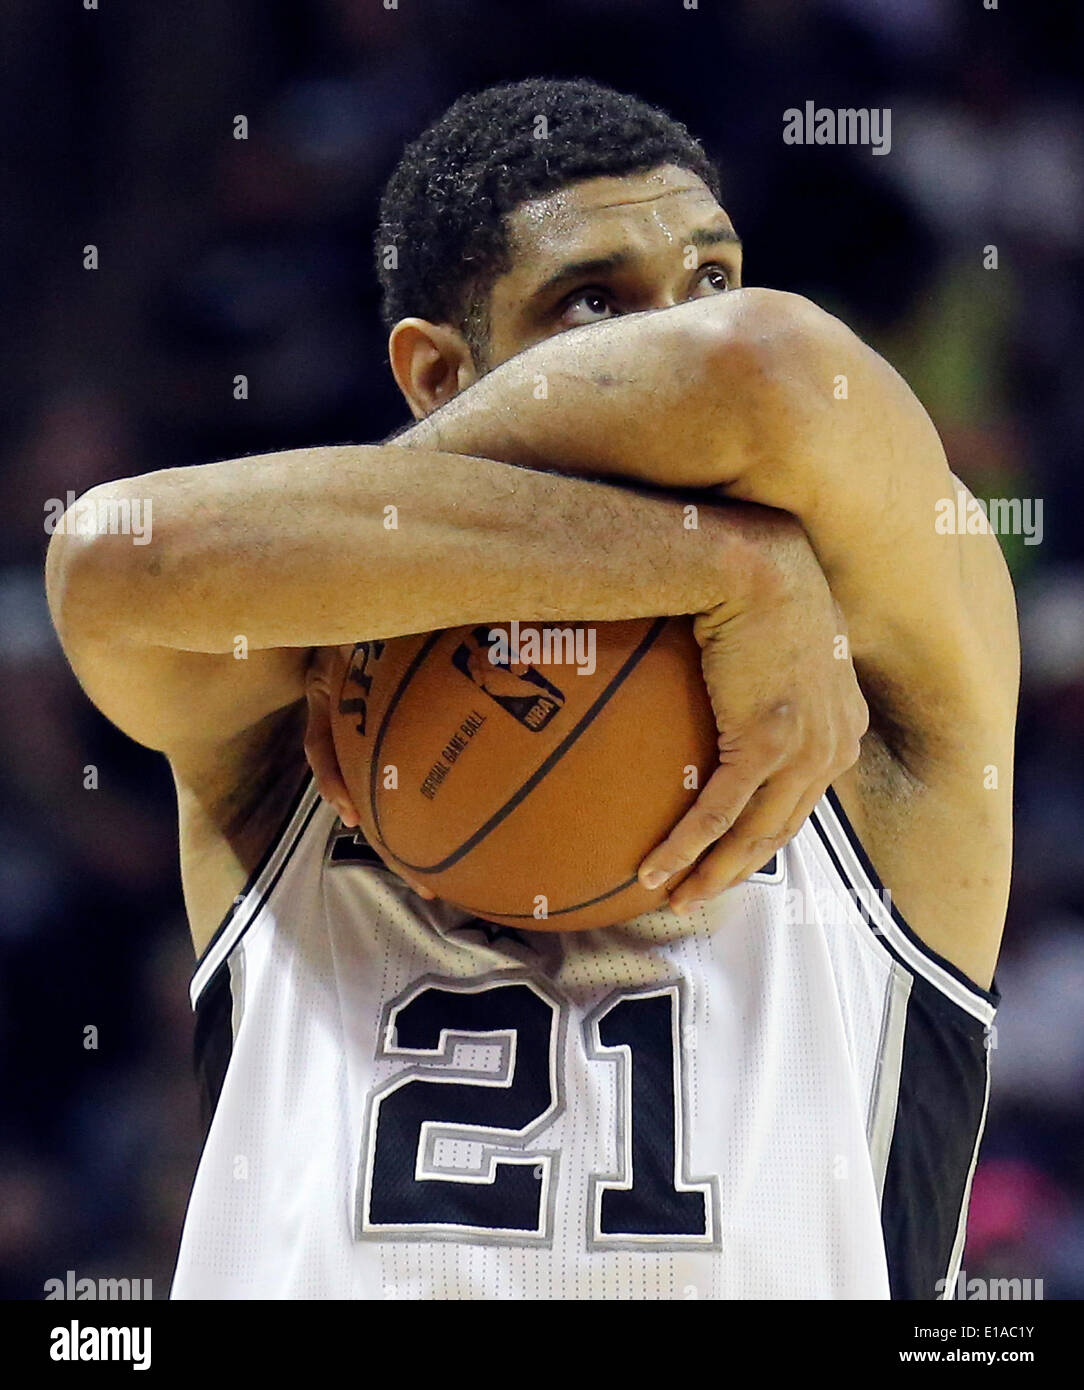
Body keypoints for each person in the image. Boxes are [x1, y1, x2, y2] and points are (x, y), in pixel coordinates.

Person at [45, 78, 1017, 1299]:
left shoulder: (883, 669)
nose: (670, 335)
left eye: (708, 276)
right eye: (594, 302)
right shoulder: (304, 704)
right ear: (441, 375)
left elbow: (761, 371)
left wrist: (731, 562)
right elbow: (113, 558)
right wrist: (715, 563)